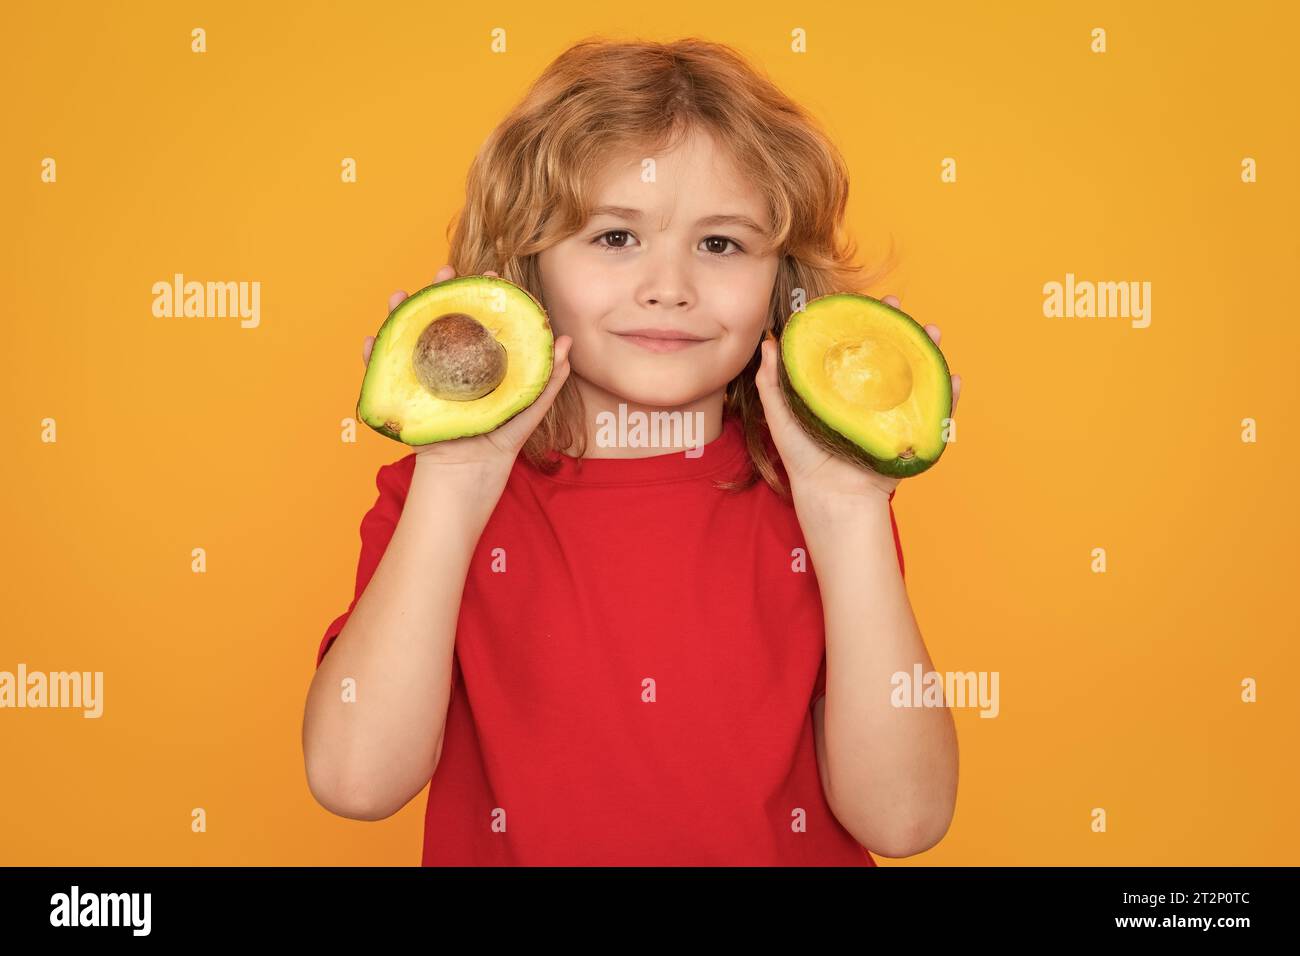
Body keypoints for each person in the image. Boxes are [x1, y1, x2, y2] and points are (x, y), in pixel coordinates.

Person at [302, 36, 962, 866]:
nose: (670, 285)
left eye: (720, 244)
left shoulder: (818, 502)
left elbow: (904, 821)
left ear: (782, 289)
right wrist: (455, 479)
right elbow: (356, 781)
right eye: (615, 238)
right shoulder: (430, 498)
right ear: (526, 269)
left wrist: (850, 513)